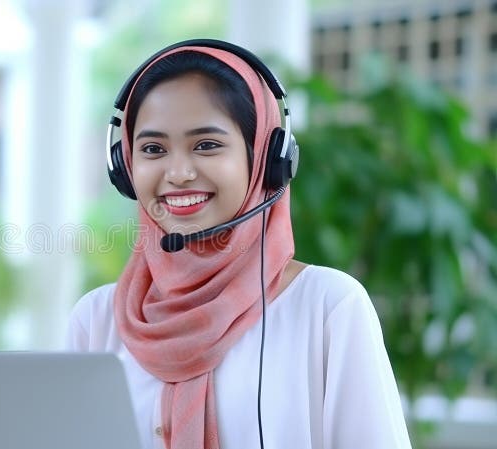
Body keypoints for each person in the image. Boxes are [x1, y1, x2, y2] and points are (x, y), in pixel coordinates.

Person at [65, 39, 412, 449]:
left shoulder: (327, 306)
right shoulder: (99, 319)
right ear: (124, 167)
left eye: (206, 145)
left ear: (266, 158)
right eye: (153, 149)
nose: (177, 173)